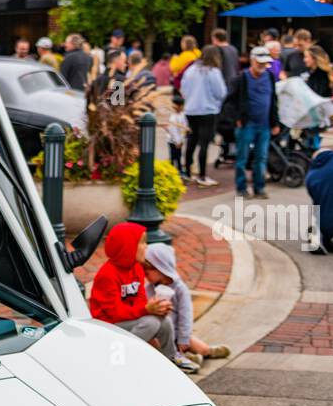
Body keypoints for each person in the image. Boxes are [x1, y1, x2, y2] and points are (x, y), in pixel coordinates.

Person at [88, 222, 184, 368]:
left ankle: (170, 361)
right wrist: (146, 309)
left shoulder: (136, 268)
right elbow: (115, 313)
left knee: (163, 320)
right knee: (150, 322)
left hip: (128, 319)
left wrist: (155, 307)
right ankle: (123, 359)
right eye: (142, 242)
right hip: (108, 325)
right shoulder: (107, 275)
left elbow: (140, 300)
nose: (146, 246)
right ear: (127, 247)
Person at [143, 242, 228, 370]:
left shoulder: (180, 289)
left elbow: (185, 315)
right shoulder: (148, 289)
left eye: (148, 270)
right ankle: (186, 357)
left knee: (200, 347)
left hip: (178, 331)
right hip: (162, 334)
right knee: (160, 346)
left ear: (161, 268)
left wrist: (183, 338)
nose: (145, 274)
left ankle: (208, 351)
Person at [229, 46, 280, 199]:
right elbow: (231, 101)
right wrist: (237, 119)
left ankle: (259, 188)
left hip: (264, 125)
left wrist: (275, 122)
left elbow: (273, 100)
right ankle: (241, 188)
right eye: (259, 63)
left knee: (261, 158)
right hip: (247, 124)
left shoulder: (269, 77)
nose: (262, 66)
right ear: (252, 60)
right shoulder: (241, 78)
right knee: (242, 158)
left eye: (265, 63)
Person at [179, 45, 228, 186]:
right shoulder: (213, 72)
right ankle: (202, 175)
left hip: (191, 110)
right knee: (204, 143)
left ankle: (187, 171)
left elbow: (183, 89)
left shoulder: (190, 70)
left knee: (191, 141)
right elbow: (221, 92)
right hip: (207, 110)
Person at [165, 92, 189, 174]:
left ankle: (179, 169)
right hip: (172, 141)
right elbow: (173, 131)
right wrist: (177, 141)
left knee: (179, 156)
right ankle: (172, 170)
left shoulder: (182, 115)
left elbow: (184, 127)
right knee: (173, 156)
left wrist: (182, 140)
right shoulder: (173, 117)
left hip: (180, 141)